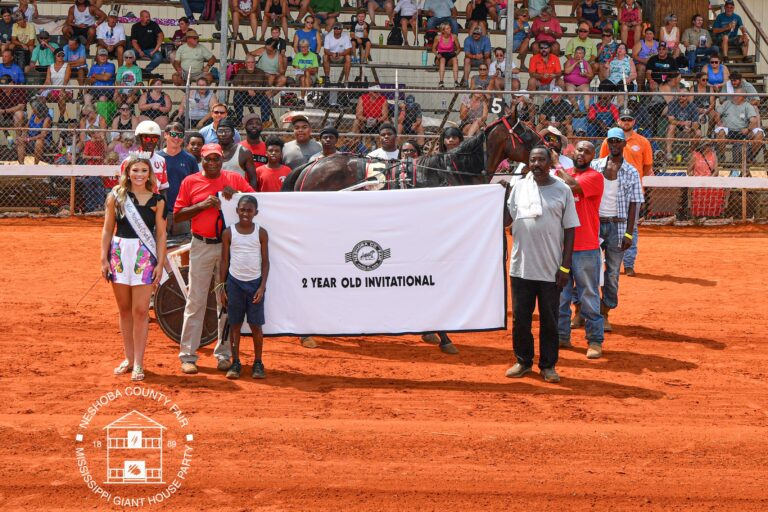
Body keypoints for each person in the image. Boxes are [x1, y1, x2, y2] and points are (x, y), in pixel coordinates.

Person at [174, 143, 255, 374]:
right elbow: (178, 215)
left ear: (222, 160)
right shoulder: (190, 182)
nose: (212, 163)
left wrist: (237, 196)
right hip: (201, 245)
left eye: (216, 159)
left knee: (226, 301)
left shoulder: (234, 179)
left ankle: (224, 354)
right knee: (196, 300)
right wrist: (201, 205)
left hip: (228, 248)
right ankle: (188, 355)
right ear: (201, 159)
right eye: (208, 159)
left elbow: (256, 202)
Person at [502, 146, 579, 383]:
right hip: (521, 267)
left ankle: (548, 366)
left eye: (541, 160)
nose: (536, 163)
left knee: (549, 320)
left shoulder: (562, 189)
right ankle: (523, 361)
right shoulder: (519, 187)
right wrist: (502, 196)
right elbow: (507, 220)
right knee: (521, 320)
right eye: (532, 159)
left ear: (549, 163)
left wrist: (565, 268)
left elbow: (570, 229)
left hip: (551, 269)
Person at [101, 155, 167, 382]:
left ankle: (139, 361)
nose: (139, 175)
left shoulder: (158, 200)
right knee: (124, 309)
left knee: (140, 311)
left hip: (144, 257)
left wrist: (160, 262)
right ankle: (128, 359)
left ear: (150, 174)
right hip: (119, 254)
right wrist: (104, 259)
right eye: (135, 170)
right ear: (127, 172)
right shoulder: (116, 197)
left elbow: (160, 234)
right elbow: (107, 229)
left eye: (143, 171)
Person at [587, 128, 642, 331]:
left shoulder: (631, 172)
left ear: (624, 144)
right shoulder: (595, 166)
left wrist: (629, 233)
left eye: (618, 141)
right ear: (607, 143)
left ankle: (604, 313)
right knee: (587, 269)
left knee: (611, 273)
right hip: (595, 224)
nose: (615, 144)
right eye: (611, 141)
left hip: (618, 227)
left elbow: (635, 204)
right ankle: (581, 312)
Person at [553, 141, 604, 357]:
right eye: (579, 150)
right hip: (562, 247)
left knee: (589, 295)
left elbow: (572, 186)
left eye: (587, 151)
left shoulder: (594, 177)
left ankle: (594, 340)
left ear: (593, 156)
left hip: (586, 246)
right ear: (572, 152)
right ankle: (562, 336)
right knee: (561, 296)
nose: (581, 154)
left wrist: (557, 165)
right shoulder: (563, 173)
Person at [219, 195, 269, 379]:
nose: (245, 213)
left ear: (256, 212)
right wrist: (221, 287)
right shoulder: (229, 232)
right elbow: (224, 261)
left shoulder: (261, 233)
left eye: (249, 210)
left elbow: (266, 262)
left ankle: (258, 362)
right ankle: (236, 362)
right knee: (235, 325)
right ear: (237, 211)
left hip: (255, 284)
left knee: (256, 326)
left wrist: (262, 287)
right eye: (242, 209)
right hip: (234, 283)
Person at [598, 108, 652, 276]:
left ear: (634, 121)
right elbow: (601, 163)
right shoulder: (608, 142)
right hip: (610, 192)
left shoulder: (643, 142)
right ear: (618, 121)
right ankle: (608, 263)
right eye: (623, 119)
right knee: (607, 226)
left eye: (629, 119)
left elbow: (647, 166)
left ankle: (629, 264)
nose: (626, 122)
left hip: (632, 192)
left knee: (631, 228)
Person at [157, 122, 198, 235]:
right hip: (160, 211)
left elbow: (195, 186)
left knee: (182, 247)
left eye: (180, 135)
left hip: (182, 211)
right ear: (165, 135)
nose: (176, 138)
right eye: (173, 134)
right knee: (160, 245)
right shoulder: (157, 158)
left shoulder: (190, 159)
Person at [713, 87, 764, 164]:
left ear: (742, 97)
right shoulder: (727, 103)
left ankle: (750, 157)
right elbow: (717, 114)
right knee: (720, 131)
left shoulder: (747, 106)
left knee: (759, 134)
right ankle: (722, 157)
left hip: (743, 131)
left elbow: (754, 121)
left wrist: (748, 129)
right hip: (728, 130)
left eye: (736, 95)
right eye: (733, 94)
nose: (733, 96)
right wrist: (720, 123)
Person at [120, 120, 168, 193]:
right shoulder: (128, 161)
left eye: (154, 138)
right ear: (139, 139)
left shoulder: (161, 160)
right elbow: (123, 187)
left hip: (155, 202)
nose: (150, 141)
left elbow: (163, 188)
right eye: (146, 138)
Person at [231, 54, 271, 125]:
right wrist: (248, 89)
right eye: (248, 62)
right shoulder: (241, 71)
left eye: (252, 62)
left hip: (257, 95)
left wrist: (268, 92)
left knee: (266, 100)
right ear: (245, 64)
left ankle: (265, 122)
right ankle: (240, 120)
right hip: (244, 95)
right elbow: (236, 86)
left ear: (255, 63)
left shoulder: (260, 72)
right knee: (237, 97)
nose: (250, 64)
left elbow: (267, 86)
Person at [218, 118, 257, 188]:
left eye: (227, 131)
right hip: (216, 195)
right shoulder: (212, 151)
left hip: (238, 195)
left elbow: (253, 179)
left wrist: (251, 196)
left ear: (233, 133)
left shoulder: (244, 152)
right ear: (216, 133)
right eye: (220, 131)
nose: (223, 134)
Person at [665, 83, 701, 159]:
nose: (681, 97)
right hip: (677, 127)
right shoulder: (672, 103)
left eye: (683, 96)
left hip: (689, 128)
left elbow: (696, 124)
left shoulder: (693, 106)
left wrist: (691, 128)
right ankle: (669, 153)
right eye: (679, 95)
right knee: (671, 126)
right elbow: (671, 120)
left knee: (698, 132)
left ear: (687, 97)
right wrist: (683, 123)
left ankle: (691, 154)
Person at [17, 99, 52, 164]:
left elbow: (42, 135)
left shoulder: (47, 119)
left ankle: (35, 165)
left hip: (44, 142)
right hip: (30, 139)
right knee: (20, 141)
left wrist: (28, 139)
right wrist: (23, 135)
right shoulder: (33, 114)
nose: (33, 110)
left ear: (40, 110)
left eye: (34, 109)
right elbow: (27, 127)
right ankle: (21, 165)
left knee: (39, 142)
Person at [40, 49, 71, 123]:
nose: (61, 57)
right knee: (42, 97)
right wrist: (41, 90)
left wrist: (62, 90)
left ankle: (61, 116)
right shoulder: (50, 67)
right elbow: (47, 81)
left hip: (66, 90)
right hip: (54, 91)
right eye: (59, 55)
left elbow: (66, 81)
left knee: (61, 96)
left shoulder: (67, 66)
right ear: (55, 56)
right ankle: (45, 117)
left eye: (62, 55)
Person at [130, 10, 164, 75]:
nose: (148, 18)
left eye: (149, 16)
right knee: (129, 54)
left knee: (158, 57)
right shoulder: (135, 26)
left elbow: (161, 36)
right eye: (146, 17)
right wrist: (139, 51)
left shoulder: (153, 24)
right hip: (138, 49)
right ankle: (137, 70)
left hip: (151, 49)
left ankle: (146, 71)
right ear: (141, 18)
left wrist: (155, 50)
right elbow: (134, 41)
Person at [432, 22, 460, 88]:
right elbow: (433, 49)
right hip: (440, 56)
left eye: (449, 28)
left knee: (455, 59)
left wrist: (455, 53)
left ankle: (456, 81)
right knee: (442, 59)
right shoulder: (438, 37)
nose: (449, 29)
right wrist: (437, 54)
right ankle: (441, 82)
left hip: (450, 55)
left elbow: (459, 48)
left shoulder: (454, 36)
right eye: (447, 29)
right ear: (443, 30)